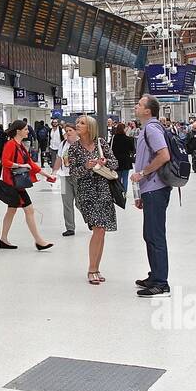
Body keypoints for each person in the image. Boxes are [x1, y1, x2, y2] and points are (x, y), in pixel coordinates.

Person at [63, 115, 118, 284]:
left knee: (101, 231)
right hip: (86, 191)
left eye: (82, 123)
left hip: (103, 190)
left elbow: (115, 163)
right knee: (98, 228)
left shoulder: (101, 143)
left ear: (90, 127)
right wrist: (86, 167)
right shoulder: (74, 148)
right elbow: (73, 172)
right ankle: (92, 269)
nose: (77, 125)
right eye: (78, 123)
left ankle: (96, 267)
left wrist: (105, 161)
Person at [130, 94, 173, 297]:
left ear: (148, 110)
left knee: (155, 235)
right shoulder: (147, 128)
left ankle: (161, 283)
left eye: (139, 104)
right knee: (150, 234)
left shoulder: (152, 128)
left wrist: (143, 173)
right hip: (150, 189)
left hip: (155, 187)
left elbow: (164, 155)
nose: (136, 107)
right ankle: (154, 275)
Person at [0, 120, 56, 251]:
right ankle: (39, 241)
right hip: (13, 184)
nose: (28, 131)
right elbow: (5, 161)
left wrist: (47, 175)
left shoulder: (20, 146)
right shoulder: (11, 144)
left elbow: (31, 164)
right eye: (25, 129)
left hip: (16, 183)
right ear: (18, 131)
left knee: (11, 211)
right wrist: (21, 165)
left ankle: (3, 239)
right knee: (29, 210)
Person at [52, 123, 80, 237]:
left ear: (76, 131)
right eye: (66, 131)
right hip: (64, 176)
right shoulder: (63, 144)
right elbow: (59, 159)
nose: (67, 133)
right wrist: (54, 172)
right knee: (67, 203)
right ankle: (70, 227)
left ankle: (91, 221)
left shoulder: (80, 144)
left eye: (70, 131)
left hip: (78, 177)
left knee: (80, 203)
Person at [111, 122, 134, 189]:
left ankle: (119, 192)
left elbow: (112, 149)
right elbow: (132, 149)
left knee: (118, 178)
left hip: (117, 160)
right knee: (125, 178)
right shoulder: (128, 139)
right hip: (126, 161)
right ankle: (124, 193)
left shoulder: (114, 138)